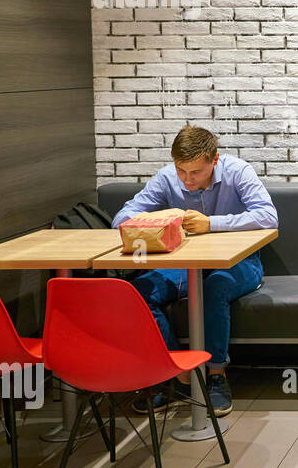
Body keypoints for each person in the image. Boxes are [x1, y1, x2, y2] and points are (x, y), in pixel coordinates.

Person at [115, 125, 278, 417]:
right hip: (183, 264)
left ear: (214, 161)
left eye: (196, 172)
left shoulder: (237, 171)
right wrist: (159, 220)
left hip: (240, 263)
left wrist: (211, 223)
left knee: (213, 287)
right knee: (137, 293)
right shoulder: (167, 177)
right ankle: (180, 377)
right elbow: (121, 218)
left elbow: (268, 216)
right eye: (181, 171)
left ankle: (216, 376)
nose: (187, 180)